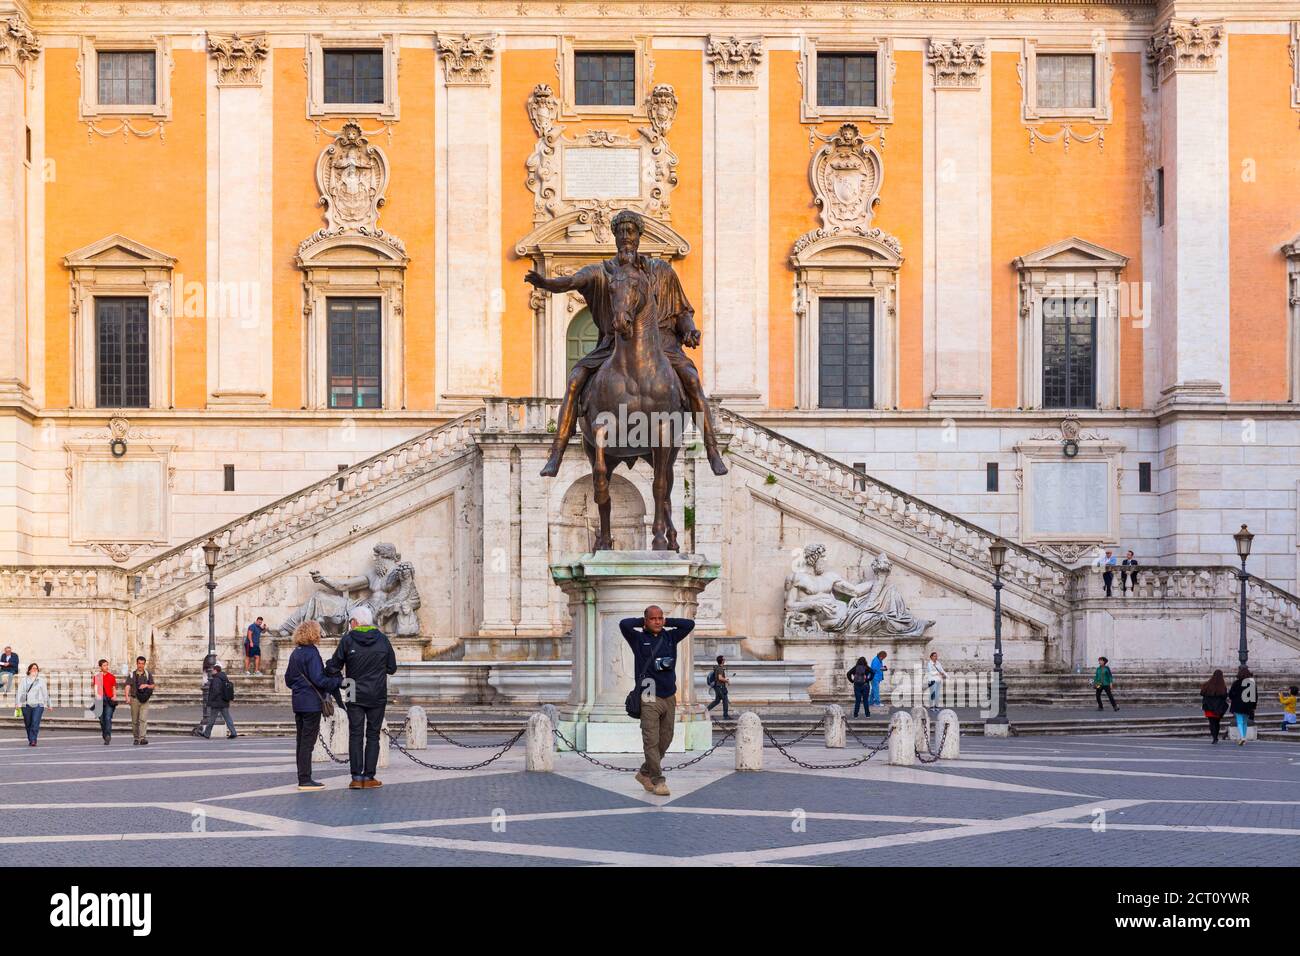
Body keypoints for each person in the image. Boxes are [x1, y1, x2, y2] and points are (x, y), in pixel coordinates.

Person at [525, 208, 728, 479]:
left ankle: (712, 449)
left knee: (691, 379)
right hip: (613, 344)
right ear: (615, 237)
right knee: (575, 379)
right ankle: (557, 452)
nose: (626, 237)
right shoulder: (604, 272)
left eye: (630, 232)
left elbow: (682, 312)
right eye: (621, 232)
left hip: (663, 345)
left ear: (639, 235)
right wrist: (547, 283)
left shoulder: (662, 271)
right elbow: (574, 280)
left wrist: (689, 330)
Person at [620, 606, 694, 797]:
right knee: (651, 740)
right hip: (649, 692)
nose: (658, 621)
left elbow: (689, 624)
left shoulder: (670, 637)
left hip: (669, 693)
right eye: (653, 619)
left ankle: (644, 772)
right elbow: (624, 624)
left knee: (666, 739)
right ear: (646, 621)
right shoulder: (638, 639)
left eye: (660, 618)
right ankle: (658, 780)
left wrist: (667, 622)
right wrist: (642, 621)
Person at [326, 605, 397, 789]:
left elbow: (333, 667)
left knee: (355, 735)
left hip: (353, 690)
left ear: (355, 622)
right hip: (377, 692)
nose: (350, 625)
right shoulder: (382, 640)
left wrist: (343, 681)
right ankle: (370, 776)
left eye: (350, 622)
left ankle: (356, 777)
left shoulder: (348, 639)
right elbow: (392, 668)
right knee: (373, 735)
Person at [285, 620, 343, 791]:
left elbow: (288, 679)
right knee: (308, 742)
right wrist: (337, 682)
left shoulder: (296, 652)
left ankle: (302, 776)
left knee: (301, 740)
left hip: (298, 702)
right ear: (312, 634)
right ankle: (305, 779)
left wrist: (299, 688)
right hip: (311, 703)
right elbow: (319, 679)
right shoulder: (311, 653)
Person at [196, 662, 238, 739]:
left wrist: (210, 700)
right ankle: (233, 732)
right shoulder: (224, 678)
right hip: (224, 701)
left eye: (213, 670)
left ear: (216, 671)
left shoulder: (216, 679)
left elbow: (216, 691)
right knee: (228, 718)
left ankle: (206, 734)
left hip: (217, 702)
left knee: (211, 719)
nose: (211, 671)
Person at [16, 663, 48, 747]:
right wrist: (18, 704)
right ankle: (31, 738)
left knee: (35, 722)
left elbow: (45, 693)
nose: (35, 670)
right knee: (28, 723)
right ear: (29, 670)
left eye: (36, 669)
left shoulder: (41, 681)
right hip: (26, 704)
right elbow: (20, 692)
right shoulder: (24, 680)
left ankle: (33, 740)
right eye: (33, 668)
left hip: (38, 704)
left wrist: (48, 703)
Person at [125, 656, 155, 745]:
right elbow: (127, 685)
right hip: (134, 699)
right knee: (134, 721)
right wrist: (127, 697)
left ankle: (142, 738)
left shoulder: (148, 674)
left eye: (142, 663)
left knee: (143, 719)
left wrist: (146, 685)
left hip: (144, 700)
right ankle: (136, 738)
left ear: (144, 664)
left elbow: (153, 685)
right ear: (136, 664)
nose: (140, 665)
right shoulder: (132, 674)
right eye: (139, 663)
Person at [1227, 666, 1256, 746]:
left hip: (1238, 705)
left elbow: (1230, 695)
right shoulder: (1251, 683)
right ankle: (1244, 737)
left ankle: (1242, 737)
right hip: (1248, 705)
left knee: (1240, 721)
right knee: (1245, 722)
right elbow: (1255, 696)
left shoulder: (1236, 683)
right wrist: (1253, 706)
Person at [1200, 669, 1229, 744]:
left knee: (1211, 722)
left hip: (1209, 707)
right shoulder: (1222, 686)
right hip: (1218, 708)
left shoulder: (1207, 684)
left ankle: (1214, 737)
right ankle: (1215, 736)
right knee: (1217, 722)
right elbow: (1225, 696)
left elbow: (1202, 693)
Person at [93, 658, 118, 745]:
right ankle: (104, 734)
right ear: (100, 667)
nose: (106, 667)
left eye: (107, 665)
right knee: (102, 720)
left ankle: (108, 735)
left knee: (108, 718)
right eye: (104, 665)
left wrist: (114, 696)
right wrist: (97, 696)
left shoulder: (111, 677)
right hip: (100, 699)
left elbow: (113, 687)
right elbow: (96, 688)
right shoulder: (97, 677)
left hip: (109, 699)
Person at [705, 655, 731, 720]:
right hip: (720, 687)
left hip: (718, 686)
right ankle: (725, 715)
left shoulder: (717, 668)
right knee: (725, 700)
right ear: (721, 661)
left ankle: (706, 710)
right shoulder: (720, 668)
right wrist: (726, 680)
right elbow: (720, 678)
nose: (724, 660)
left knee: (717, 701)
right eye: (724, 659)